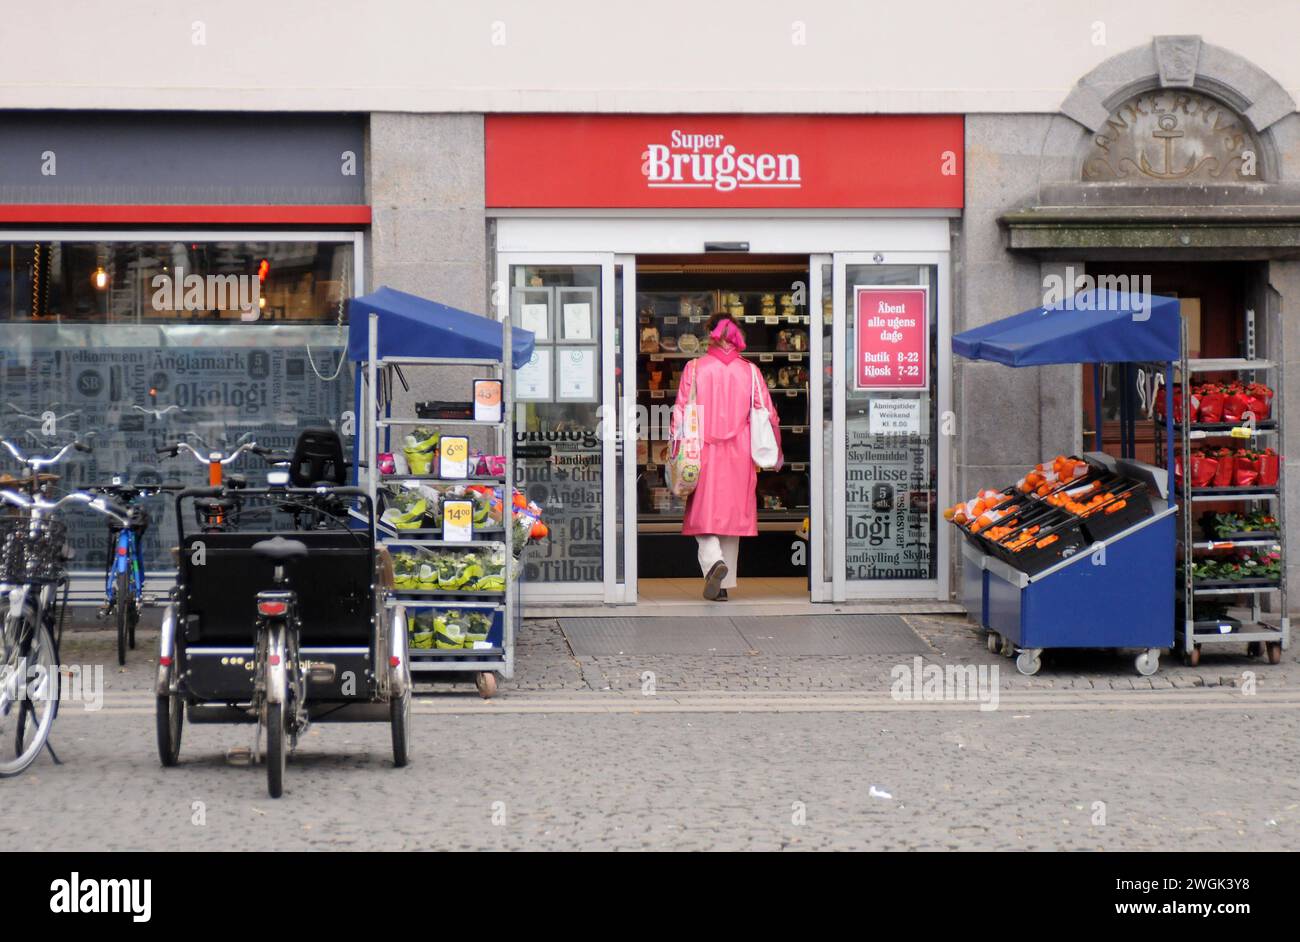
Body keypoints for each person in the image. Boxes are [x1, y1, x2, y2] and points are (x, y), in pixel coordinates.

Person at [670, 312, 783, 601]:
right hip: (740, 452)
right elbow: (768, 414)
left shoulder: (694, 368)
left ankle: (713, 563)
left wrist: (674, 449)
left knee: (702, 516)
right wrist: (774, 450)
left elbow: (681, 412)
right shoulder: (751, 371)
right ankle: (723, 585)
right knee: (731, 521)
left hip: (702, 450)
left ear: (711, 334)